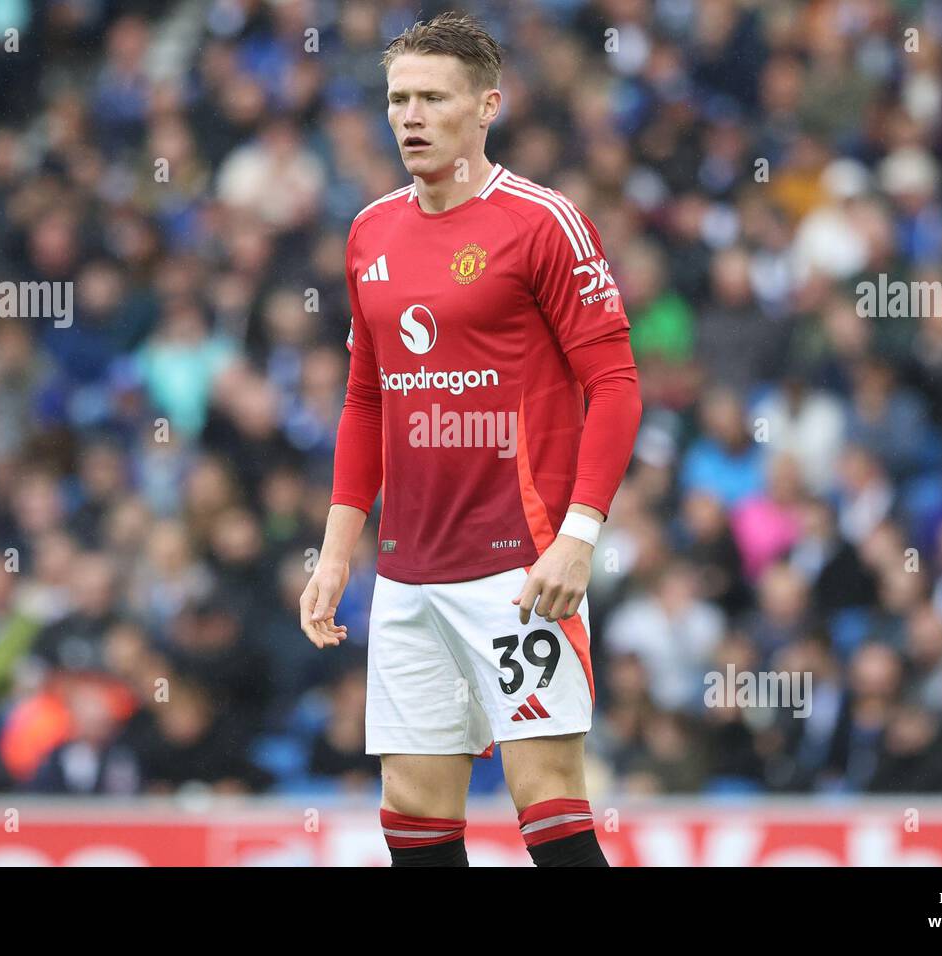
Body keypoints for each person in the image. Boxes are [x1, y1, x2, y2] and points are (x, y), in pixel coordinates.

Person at [297, 12, 641, 867]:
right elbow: (366, 401)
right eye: (397, 99)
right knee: (412, 815)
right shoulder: (370, 231)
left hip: (518, 567)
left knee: (550, 806)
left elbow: (617, 386)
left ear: (486, 106)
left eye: (432, 98)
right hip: (408, 572)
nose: (410, 117)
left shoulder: (542, 223)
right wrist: (337, 554)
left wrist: (578, 537)